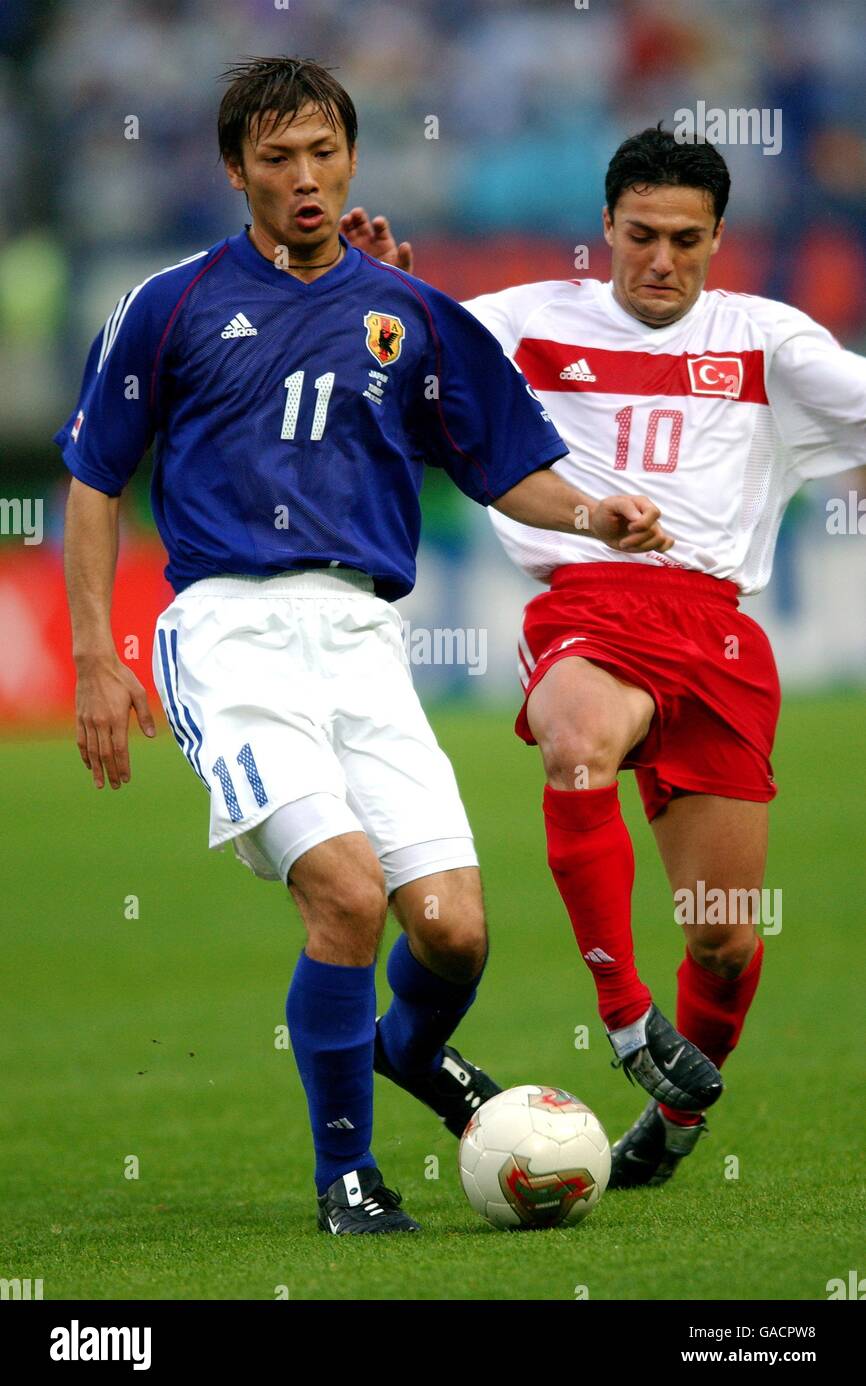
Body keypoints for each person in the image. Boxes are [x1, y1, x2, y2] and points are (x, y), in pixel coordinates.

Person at [56, 57, 672, 1235]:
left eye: (324, 153)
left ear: (352, 157)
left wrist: (595, 512)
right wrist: (96, 654)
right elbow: (92, 477)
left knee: (452, 929)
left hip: (362, 637)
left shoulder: (410, 314)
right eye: (277, 157)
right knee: (346, 897)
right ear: (233, 168)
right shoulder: (168, 301)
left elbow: (505, 464)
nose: (305, 178)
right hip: (228, 633)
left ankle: (412, 1055)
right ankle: (348, 1174)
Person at [343, 124, 866, 1188]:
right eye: (639, 236)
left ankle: (672, 1121)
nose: (660, 260)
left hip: (717, 634)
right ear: (605, 229)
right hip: (589, 598)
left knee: (720, 937)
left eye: (684, 239)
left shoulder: (768, 339)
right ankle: (625, 1018)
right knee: (573, 733)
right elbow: (402, 347)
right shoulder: (525, 320)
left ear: (717, 237)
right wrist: (388, 298)